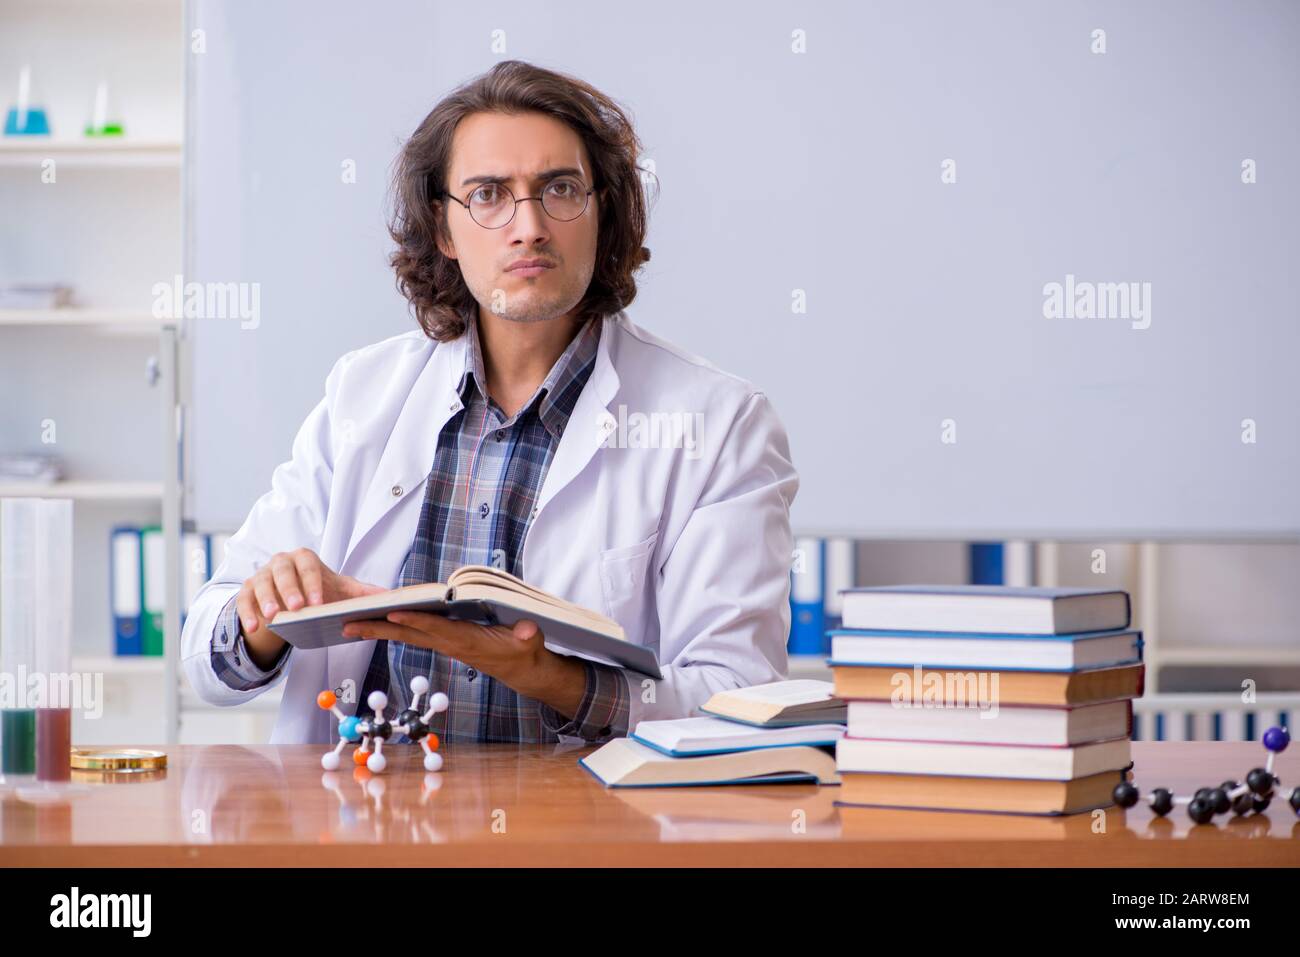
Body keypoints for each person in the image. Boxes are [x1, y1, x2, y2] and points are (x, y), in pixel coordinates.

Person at [181, 60, 799, 745]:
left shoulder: (718, 423)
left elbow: (740, 696)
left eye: (559, 188)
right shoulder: (362, 393)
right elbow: (206, 656)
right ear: (444, 230)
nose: (528, 225)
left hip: (583, 839)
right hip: (362, 833)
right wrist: (262, 620)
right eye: (488, 194)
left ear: (602, 212)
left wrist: (557, 677)